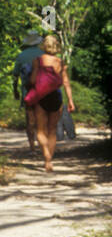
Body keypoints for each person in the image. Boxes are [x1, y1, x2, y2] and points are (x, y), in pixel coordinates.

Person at [27, 34, 75, 173]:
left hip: (41, 97)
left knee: (41, 130)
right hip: (56, 97)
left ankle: (46, 157)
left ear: (44, 46)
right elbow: (66, 83)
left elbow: (33, 80)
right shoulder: (60, 62)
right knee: (52, 130)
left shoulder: (38, 60)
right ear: (56, 46)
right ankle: (50, 160)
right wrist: (70, 101)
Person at [11, 30, 43, 152]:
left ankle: (32, 148)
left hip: (27, 91)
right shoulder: (44, 53)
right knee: (42, 118)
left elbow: (15, 75)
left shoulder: (21, 56)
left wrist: (15, 91)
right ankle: (42, 146)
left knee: (30, 119)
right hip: (43, 91)